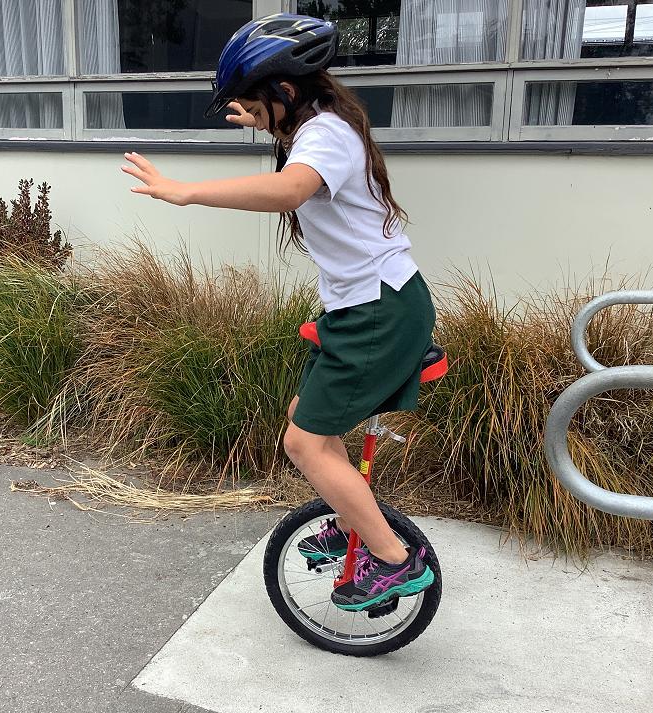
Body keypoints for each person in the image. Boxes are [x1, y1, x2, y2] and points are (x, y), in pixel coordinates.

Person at [121, 13, 435, 611]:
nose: (249, 112)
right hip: (366, 307)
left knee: (304, 444)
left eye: (252, 103)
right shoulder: (318, 126)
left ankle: (395, 561)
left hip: (377, 313)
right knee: (304, 419)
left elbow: (291, 190)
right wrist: (264, 122)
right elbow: (300, 162)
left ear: (286, 92)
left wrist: (185, 192)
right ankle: (351, 523)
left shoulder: (324, 136)